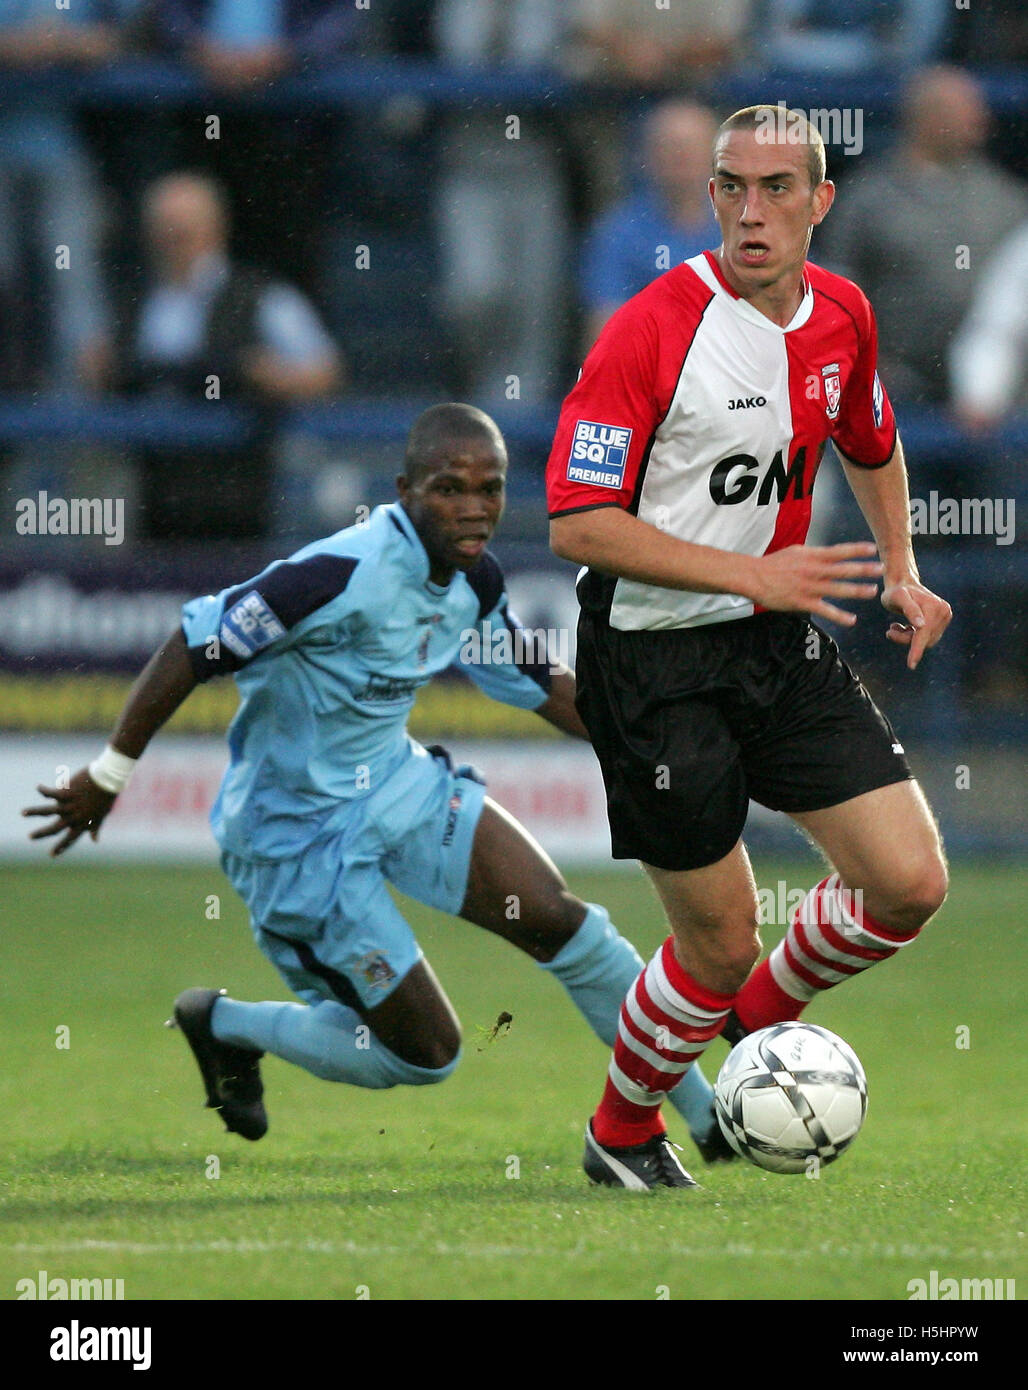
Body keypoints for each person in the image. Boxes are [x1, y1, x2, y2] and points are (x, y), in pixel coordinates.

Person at [23, 403, 721, 1159]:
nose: (474, 507)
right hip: (296, 836)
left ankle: (712, 1122)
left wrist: (659, 749)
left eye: (489, 489)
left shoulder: (472, 579)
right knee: (427, 1054)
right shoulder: (337, 574)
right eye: (449, 488)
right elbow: (195, 642)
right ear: (405, 490)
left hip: (396, 784)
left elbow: (536, 682)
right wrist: (110, 770)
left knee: (567, 925)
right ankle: (222, 1024)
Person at [546, 106, 952, 1189]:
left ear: (819, 204)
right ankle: (620, 1129)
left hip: (773, 640)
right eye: (730, 186)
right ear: (709, 197)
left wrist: (900, 565)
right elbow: (577, 523)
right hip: (651, 657)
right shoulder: (650, 328)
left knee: (908, 882)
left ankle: (759, 1019)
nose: (749, 209)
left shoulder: (842, 316)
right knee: (716, 942)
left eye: (776, 187)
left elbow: (869, 435)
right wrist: (753, 573)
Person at [97, 172, 343, 539]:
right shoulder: (134, 303)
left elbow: (325, 371)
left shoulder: (260, 296)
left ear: (216, 228)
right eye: (165, 228)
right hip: (153, 496)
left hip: (239, 499)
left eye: (185, 229)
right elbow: (103, 373)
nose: (174, 239)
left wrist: (267, 376)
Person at [823, 66, 1027, 407]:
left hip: (998, 386)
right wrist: (863, 361)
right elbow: (837, 286)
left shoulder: (1006, 198)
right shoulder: (868, 197)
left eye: (977, 111)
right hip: (895, 379)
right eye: (963, 111)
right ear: (923, 117)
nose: (979, 121)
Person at [580, 100, 720, 350]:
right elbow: (604, 335)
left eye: (692, 146)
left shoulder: (753, 226)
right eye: (670, 147)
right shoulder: (618, 232)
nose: (682, 156)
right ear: (647, 156)